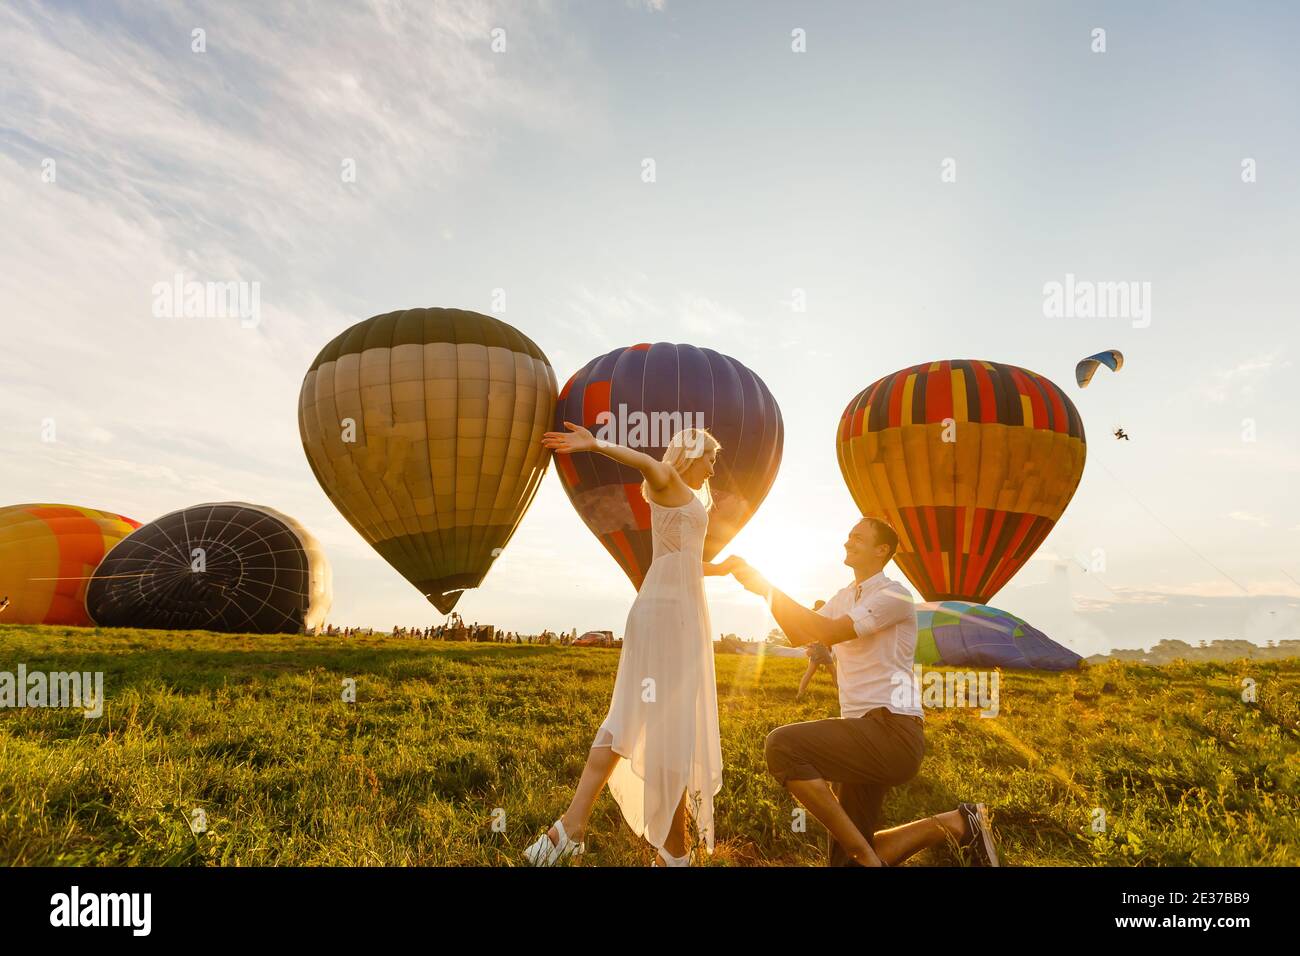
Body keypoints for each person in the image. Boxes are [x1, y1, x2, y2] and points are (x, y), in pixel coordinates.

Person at [524, 424, 737, 868]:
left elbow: (680, 559)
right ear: (691, 454)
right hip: (666, 614)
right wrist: (595, 444)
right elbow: (643, 461)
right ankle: (655, 848)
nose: (714, 468)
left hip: (677, 608)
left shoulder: (686, 497)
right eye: (710, 458)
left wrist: (723, 568)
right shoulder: (668, 477)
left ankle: (579, 831)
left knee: (642, 720)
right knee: (654, 720)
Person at [729, 516, 999, 867]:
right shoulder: (845, 597)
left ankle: (864, 855)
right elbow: (801, 631)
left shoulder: (893, 594)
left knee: (782, 746)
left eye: (857, 537)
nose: (847, 542)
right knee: (845, 865)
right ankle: (960, 822)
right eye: (848, 535)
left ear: (882, 549)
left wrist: (764, 584)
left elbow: (828, 631)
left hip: (893, 731)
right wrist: (758, 587)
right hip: (861, 735)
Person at [796, 600, 838, 699]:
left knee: (809, 673)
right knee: (833, 672)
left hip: (816, 648)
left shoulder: (810, 618)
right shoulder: (819, 619)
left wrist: (809, 646)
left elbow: (806, 634)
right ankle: (842, 695)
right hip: (820, 648)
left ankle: (800, 695)